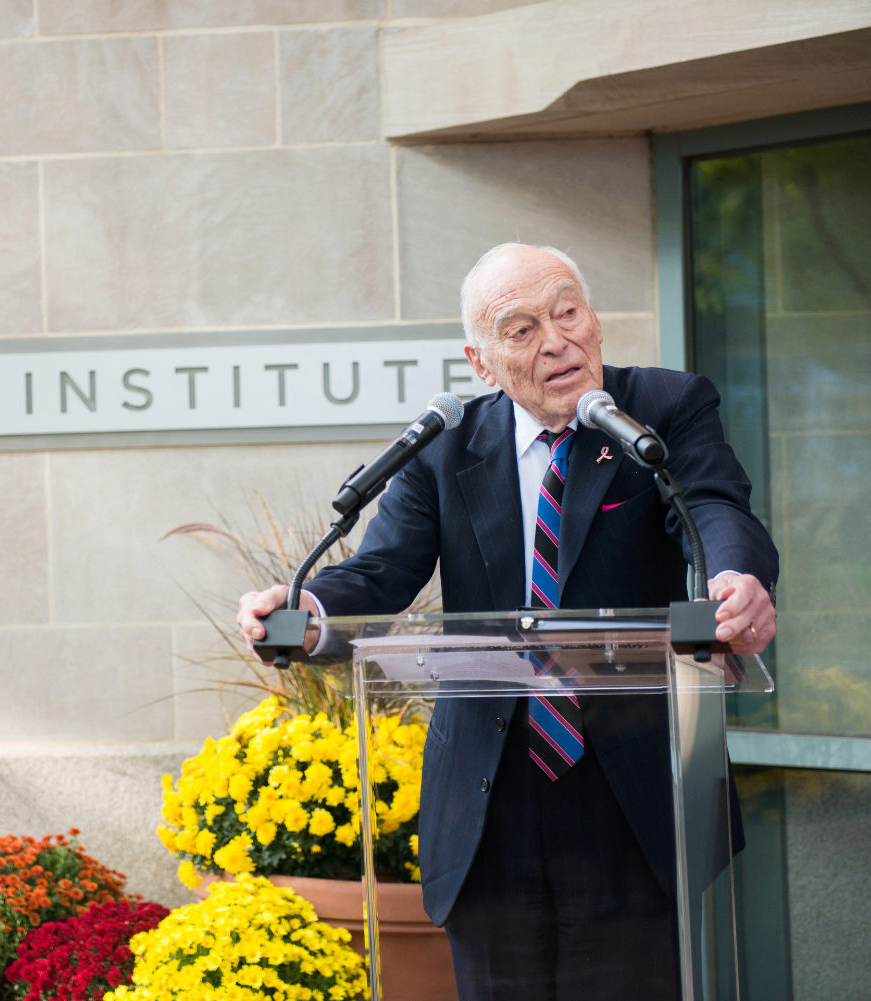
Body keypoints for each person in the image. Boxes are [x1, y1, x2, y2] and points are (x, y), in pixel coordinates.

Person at [237, 243, 778, 1001]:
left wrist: (734, 577)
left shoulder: (664, 407)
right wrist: (309, 608)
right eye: (521, 328)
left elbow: (715, 506)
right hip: (490, 802)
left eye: (567, 311)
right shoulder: (445, 447)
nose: (558, 340)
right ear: (482, 362)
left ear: (593, 318)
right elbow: (380, 571)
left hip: (634, 795)